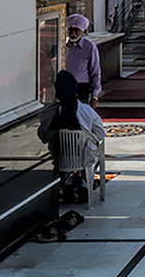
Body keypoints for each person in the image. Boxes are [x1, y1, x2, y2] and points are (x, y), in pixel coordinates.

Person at [37, 69, 106, 203]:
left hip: (60, 158)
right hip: (83, 157)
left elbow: (42, 135)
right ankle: (85, 184)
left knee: (57, 151)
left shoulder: (50, 112)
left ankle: (66, 184)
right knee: (94, 153)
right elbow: (100, 134)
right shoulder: (86, 110)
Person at [63, 14, 101, 107]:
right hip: (64, 86)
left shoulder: (89, 47)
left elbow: (95, 72)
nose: (73, 34)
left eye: (77, 31)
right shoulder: (62, 45)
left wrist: (94, 95)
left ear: (82, 31)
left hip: (81, 88)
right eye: (70, 30)